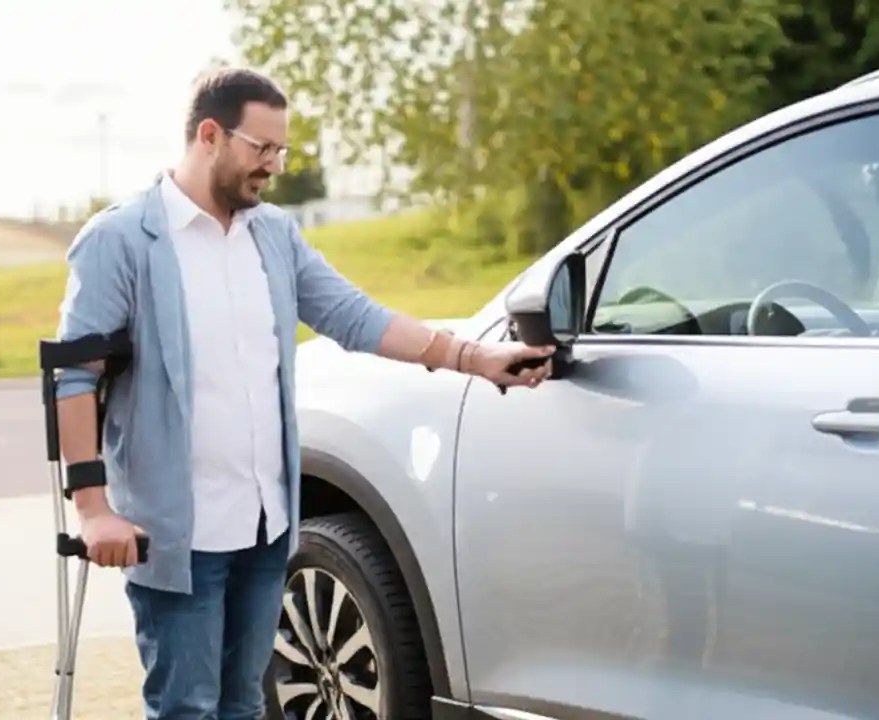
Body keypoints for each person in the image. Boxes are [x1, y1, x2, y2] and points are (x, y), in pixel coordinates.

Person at [52, 66, 553, 720]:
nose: (274, 166)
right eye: (262, 149)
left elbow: (356, 316)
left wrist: (473, 356)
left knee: (245, 708)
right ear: (209, 134)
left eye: (281, 151)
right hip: (179, 534)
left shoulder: (273, 235)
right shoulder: (121, 241)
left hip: (265, 528)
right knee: (186, 709)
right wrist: (92, 509)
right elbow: (74, 376)